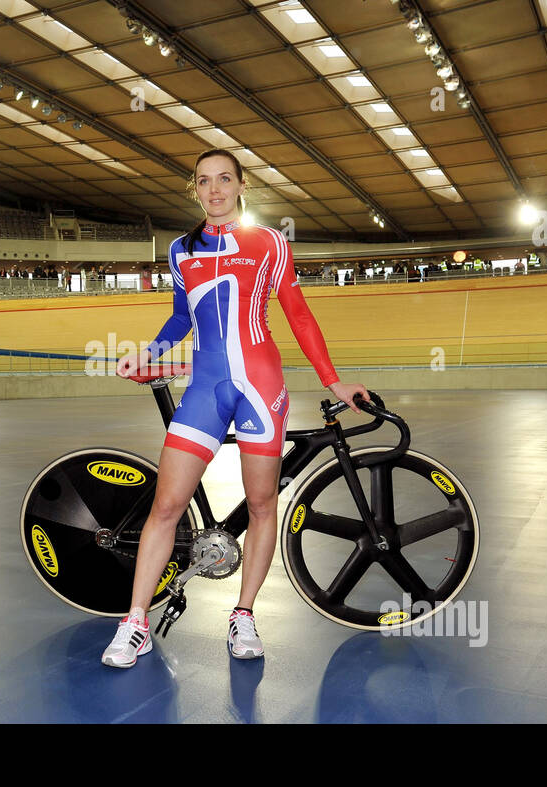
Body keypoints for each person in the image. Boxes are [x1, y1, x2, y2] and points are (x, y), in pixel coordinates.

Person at [104, 148, 370, 668]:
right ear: (195, 189)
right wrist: (151, 353)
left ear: (242, 184)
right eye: (204, 181)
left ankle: (243, 616)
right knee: (166, 505)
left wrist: (332, 380)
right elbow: (180, 317)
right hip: (204, 389)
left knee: (262, 504)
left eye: (225, 179)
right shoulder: (181, 249)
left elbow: (298, 313)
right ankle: (134, 621)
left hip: (260, 384)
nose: (215, 189)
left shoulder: (270, 242)